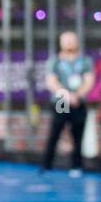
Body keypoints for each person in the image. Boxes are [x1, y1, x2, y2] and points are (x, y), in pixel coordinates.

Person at [40, 31, 95, 176]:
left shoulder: (84, 61)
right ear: (61, 42)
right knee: (55, 132)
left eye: (72, 40)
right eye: (66, 40)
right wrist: (67, 96)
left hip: (78, 102)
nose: (69, 43)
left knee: (78, 135)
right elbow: (51, 82)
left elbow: (89, 81)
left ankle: (77, 166)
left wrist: (77, 95)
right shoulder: (55, 61)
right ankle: (47, 165)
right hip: (61, 101)